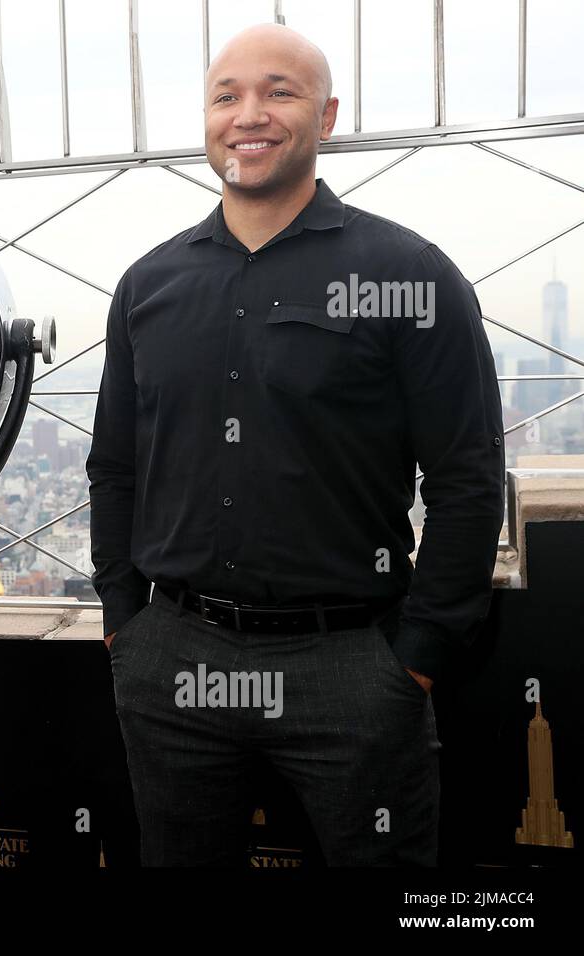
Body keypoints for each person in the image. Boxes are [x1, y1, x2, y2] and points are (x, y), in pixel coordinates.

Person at [86, 24, 504, 865]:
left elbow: (466, 478)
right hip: (175, 660)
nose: (250, 114)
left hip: (351, 664)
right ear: (206, 117)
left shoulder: (407, 276)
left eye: (279, 91)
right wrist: (126, 626)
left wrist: (414, 660)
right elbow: (116, 466)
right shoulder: (149, 285)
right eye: (226, 95)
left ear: (327, 115)